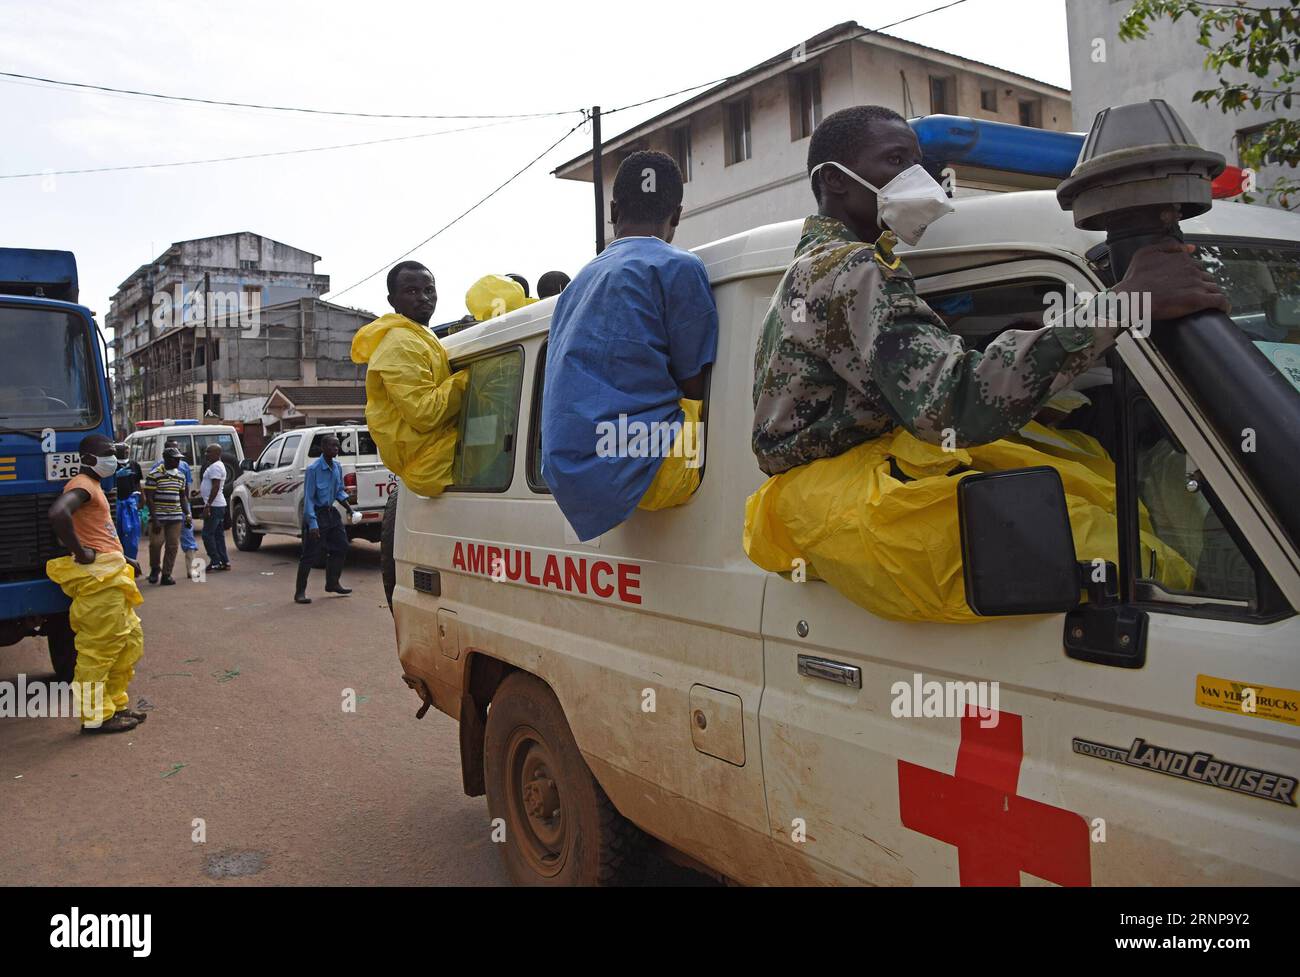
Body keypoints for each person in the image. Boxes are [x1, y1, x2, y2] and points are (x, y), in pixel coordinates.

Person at [745, 104, 1229, 621]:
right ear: (833, 182)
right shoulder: (852, 269)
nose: (917, 177)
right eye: (894, 160)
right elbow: (954, 403)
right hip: (860, 502)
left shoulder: (818, 269)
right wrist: (1124, 303)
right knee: (1117, 548)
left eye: (918, 161)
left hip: (828, 501)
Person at [541, 150, 718, 541]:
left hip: (568, 473)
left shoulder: (575, 285)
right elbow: (698, 386)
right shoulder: (679, 267)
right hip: (653, 467)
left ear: (613, 210)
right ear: (677, 215)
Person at [46, 434, 146, 734]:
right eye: (106, 454)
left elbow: (97, 532)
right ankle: (95, 717)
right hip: (98, 581)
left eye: (113, 453)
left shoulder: (95, 486)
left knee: (126, 643)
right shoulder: (81, 485)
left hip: (112, 575)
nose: (112, 459)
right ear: (87, 458)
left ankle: (114, 705)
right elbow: (58, 513)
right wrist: (81, 552)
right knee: (99, 649)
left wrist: (125, 558)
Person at [350, 261, 468, 497]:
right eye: (411, 291)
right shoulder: (401, 343)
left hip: (438, 459)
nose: (424, 297)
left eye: (429, 289)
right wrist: (472, 376)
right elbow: (426, 413)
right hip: (433, 464)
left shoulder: (420, 336)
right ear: (392, 300)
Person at [294, 435, 355, 604]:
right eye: (332, 446)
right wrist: (312, 524)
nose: (336, 448)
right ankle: (300, 592)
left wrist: (349, 509)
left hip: (331, 514)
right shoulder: (313, 469)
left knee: (341, 547)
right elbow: (308, 499)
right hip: (316, 515)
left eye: (337, 446)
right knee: (309, 555)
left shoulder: (337, 466)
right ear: (323, 447)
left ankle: (332, 583)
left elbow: (339, 491)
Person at [143, 446, 191, 586]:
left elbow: (182, 497)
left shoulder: (180, 476)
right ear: (167, 459)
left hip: (175, 517)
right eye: (176, 459)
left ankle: (166, 574)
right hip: (158, 517)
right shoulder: (154, 475)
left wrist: (187, 514)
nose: (178, 462)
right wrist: (155, 519)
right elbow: (149, 499)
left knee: (172, 546)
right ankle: (155, 568)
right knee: (156, 544)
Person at [166, 439, 200, 579]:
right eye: (173, 450)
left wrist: (187, 509)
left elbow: (186, 488)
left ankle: (191, 569)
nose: (177, 453)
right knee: (167, 541)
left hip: (182, 506)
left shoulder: (184, 466)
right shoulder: (157, 467)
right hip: (166, 509)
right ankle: (163, 571)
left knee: (188, 536)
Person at [199, 443, 230, 572]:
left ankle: (215, 561)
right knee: (218, 535)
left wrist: (208, 505)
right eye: (206, 452)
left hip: (215, 505)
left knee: (207, 534)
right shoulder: (215, 466)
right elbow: (211, 485)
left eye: (209, 452)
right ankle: (224, 561)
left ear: (217, 454)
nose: (206, 454)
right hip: (218, 505)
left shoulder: (216, 467)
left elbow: (216, 487)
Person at [112, 442, 143, 560]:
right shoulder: (112, 466)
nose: (126, 452)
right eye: (122, 450)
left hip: (131, 504)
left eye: (126, 450)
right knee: (118, 534)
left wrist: (141, 500)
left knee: (132, 534)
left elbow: (137, 483)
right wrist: (116, 476)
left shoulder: (134, 465)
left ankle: (131, 561)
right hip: (117, 504)